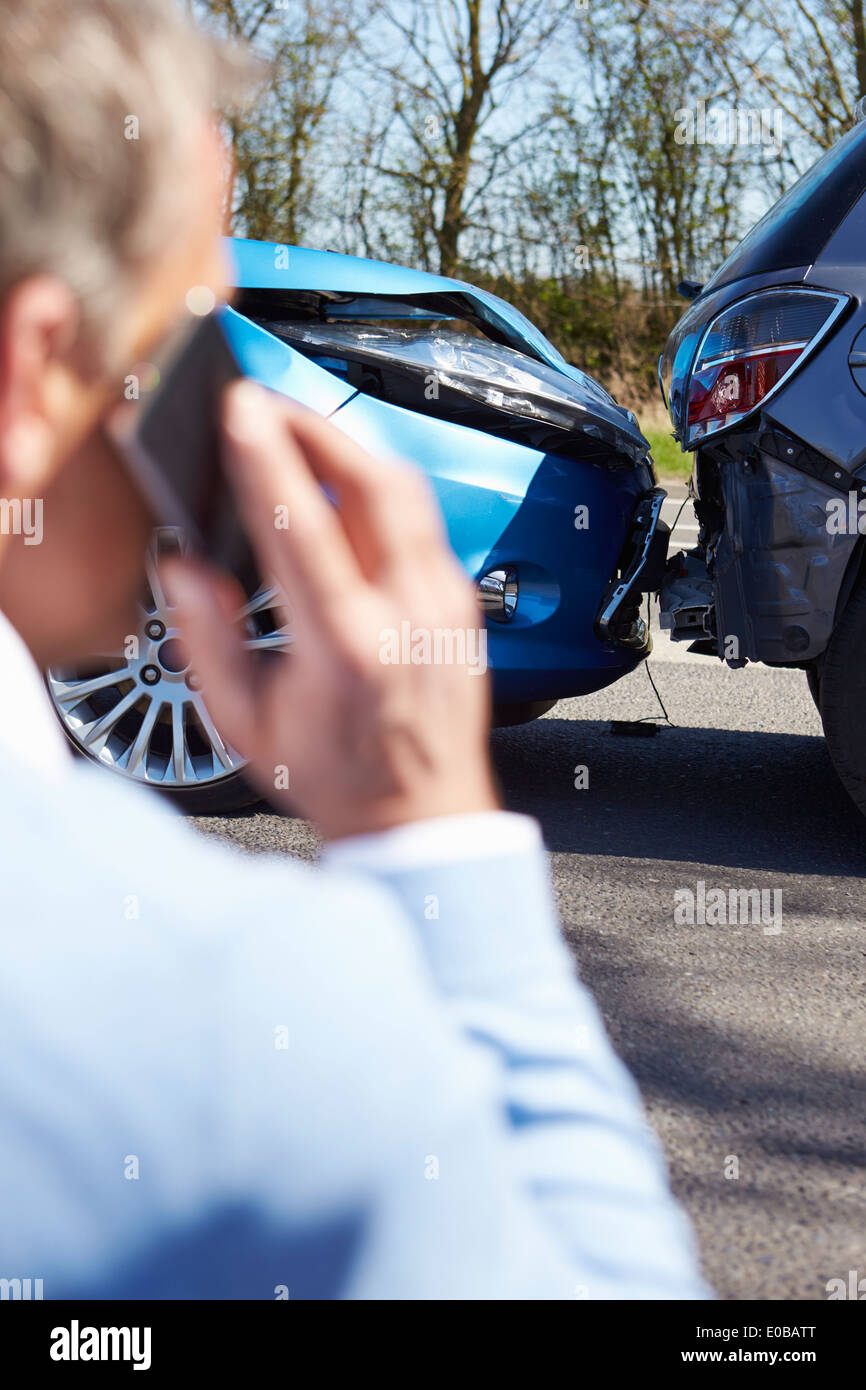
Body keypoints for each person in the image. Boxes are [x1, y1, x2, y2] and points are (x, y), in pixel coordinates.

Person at [0, 0, 707, 1299]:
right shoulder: (222, 1017)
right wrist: (424, 827)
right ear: (34, 369)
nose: (216, 409)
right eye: (188, 332)